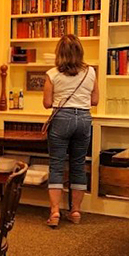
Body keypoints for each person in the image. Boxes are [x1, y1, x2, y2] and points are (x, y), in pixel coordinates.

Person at [42, 34, 98, 228]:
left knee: (56, 165)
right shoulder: (90, 71)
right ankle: (75, 211)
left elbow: (47, 103)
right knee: (78, 165)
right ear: (80, 52)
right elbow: (95, 101)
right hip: (83, 118)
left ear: (59, 53)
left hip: (61, 119)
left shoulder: (52, 74)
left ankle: (55, 212)